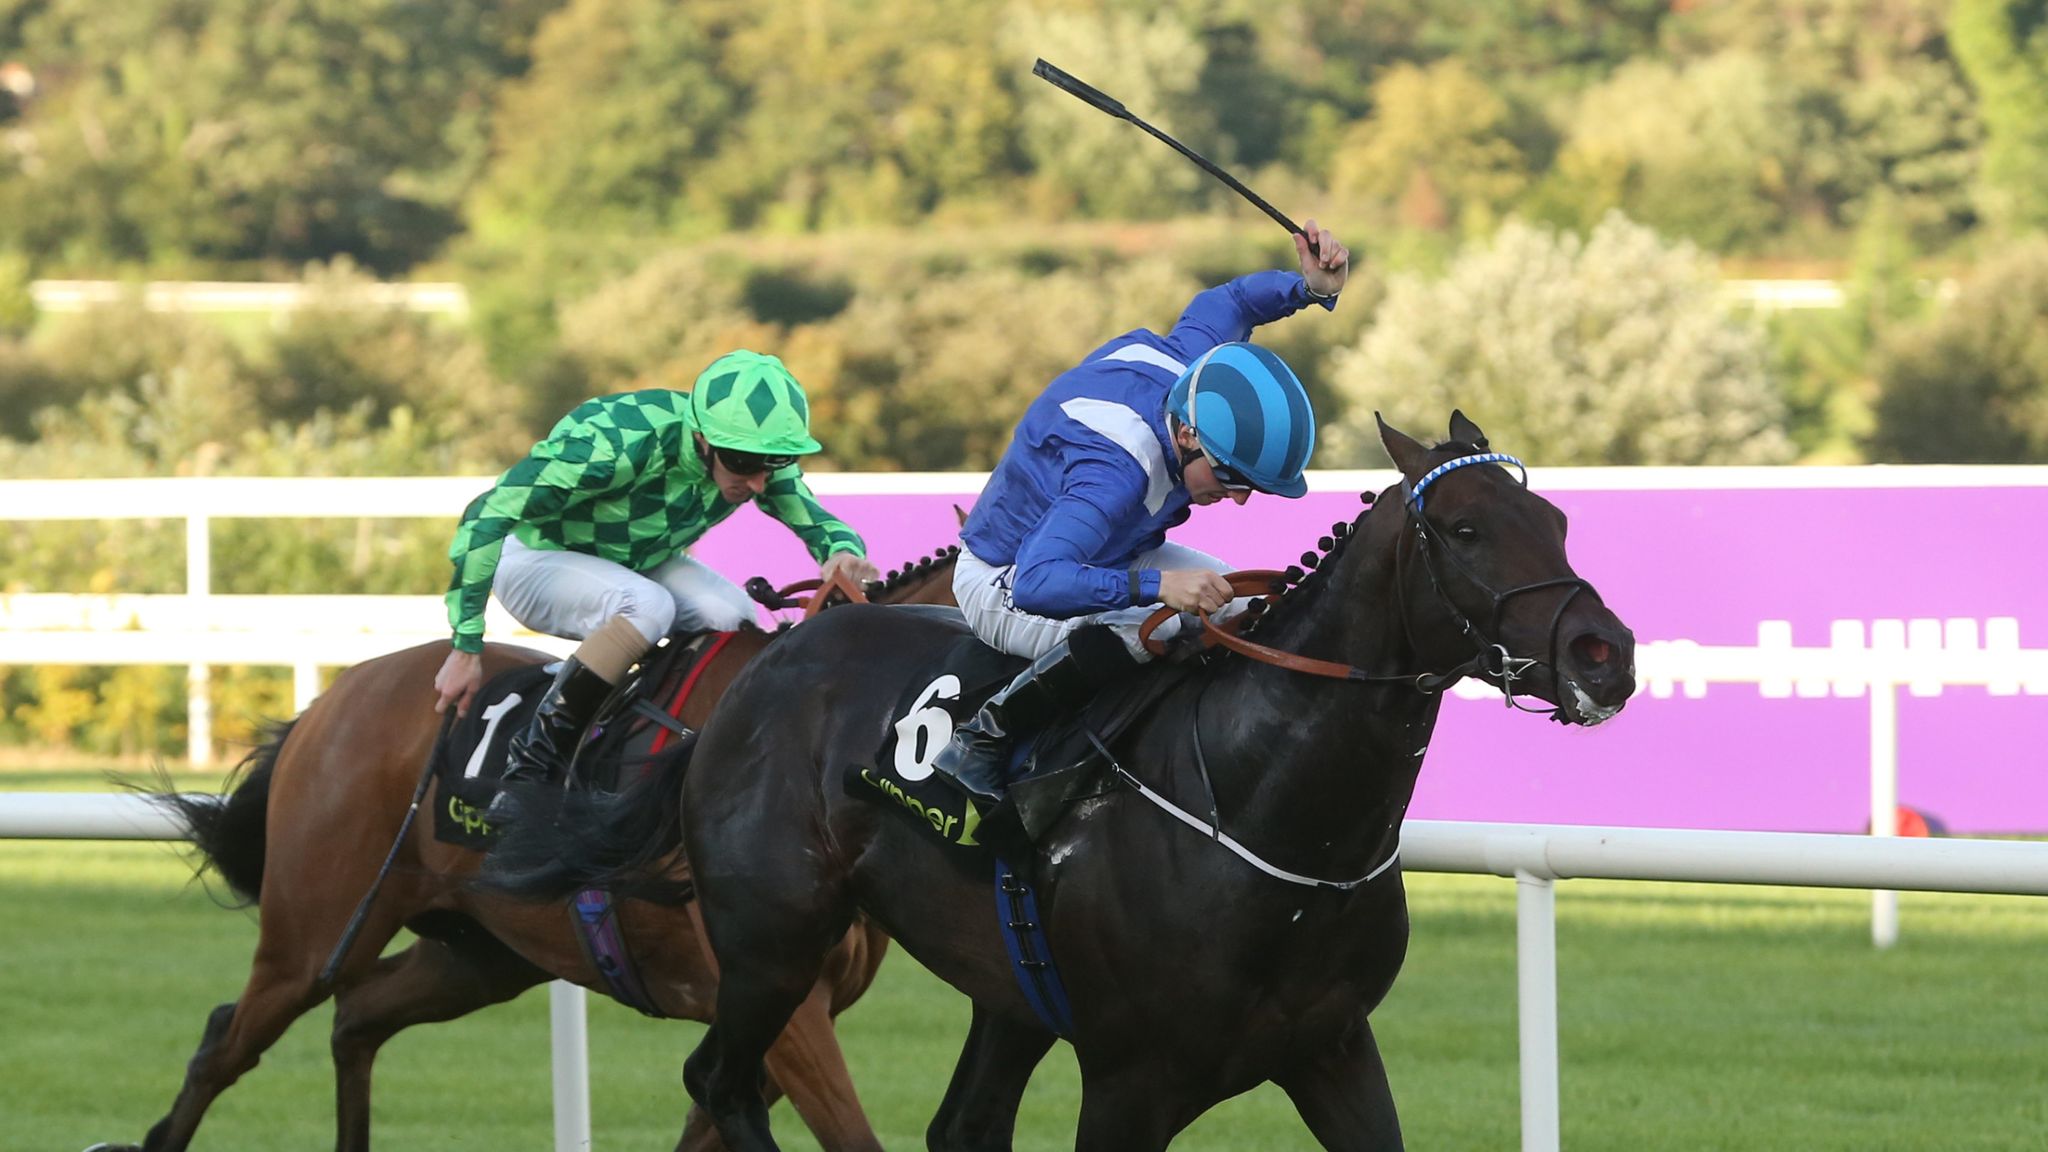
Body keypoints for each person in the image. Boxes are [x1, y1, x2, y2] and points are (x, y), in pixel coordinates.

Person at [933, 220, 1350, 807]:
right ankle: (984, 736)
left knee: (1237, 598)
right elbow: (1038, 583)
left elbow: (1226, 302)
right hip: (1005, 577)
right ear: (1185, 432)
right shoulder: (1112, 475)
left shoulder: (1193, 369)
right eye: (1231, 477)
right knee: (1149, 620)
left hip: (1104, 549)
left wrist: (1306, 287)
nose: (1237, 498)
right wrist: (1158, 585)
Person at [433, 350, 879, 799]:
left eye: (773, 464)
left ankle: (678, 755)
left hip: (637, 560)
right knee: (649, 606)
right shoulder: (614, 444)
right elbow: (484, 515)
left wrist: (843, 553)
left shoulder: (747, 448)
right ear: (702, 438)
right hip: (536, 557)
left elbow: (818, 521)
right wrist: (466, 645)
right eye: (744, 464)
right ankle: (532, 766)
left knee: (732, 616)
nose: (760, 482)